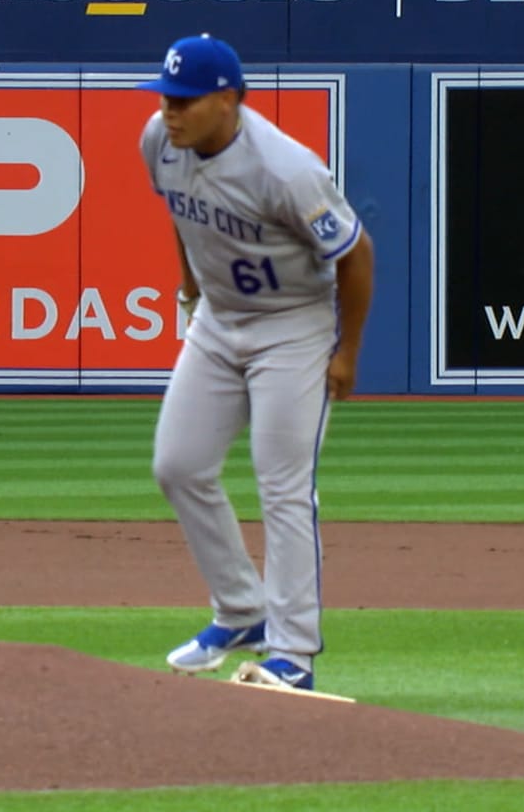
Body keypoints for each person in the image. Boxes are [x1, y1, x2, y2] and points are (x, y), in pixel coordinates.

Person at [137, 34, 374, 691]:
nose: (170, 110)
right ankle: (241, 610)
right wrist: (190, 289)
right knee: (178, 466)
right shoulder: (160, 140)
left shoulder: (285, 169)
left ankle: (292, 656)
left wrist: (346, 352)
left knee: (283, 485)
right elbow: (184, 219)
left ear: (227, 99)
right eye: (165, 97)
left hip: (293, 329)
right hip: (219, 321)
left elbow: (356, 255)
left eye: (184, 100)